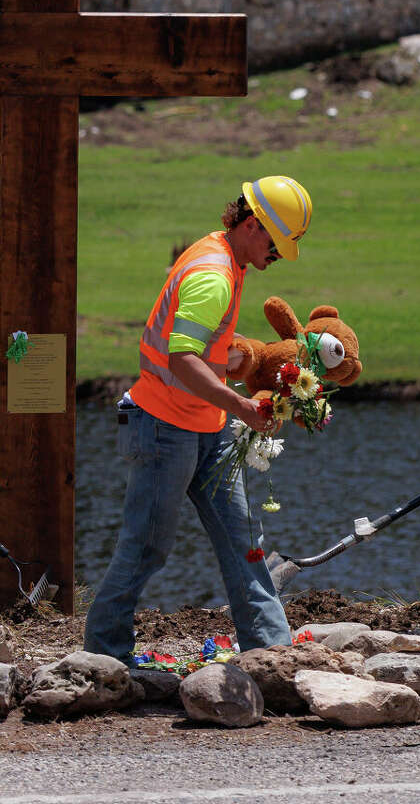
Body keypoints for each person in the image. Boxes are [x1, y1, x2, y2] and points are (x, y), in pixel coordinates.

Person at [84, 176, 314, 663]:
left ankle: (272, 654)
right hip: (165, 427)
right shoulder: (215, 274)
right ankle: (103, 657)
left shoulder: (227, 256)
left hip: (203, 426)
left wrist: (232, 361)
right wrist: (242, 407)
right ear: (253, 225)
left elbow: (200, 350)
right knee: (146, 546)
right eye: (277, 243)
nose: (278, 255)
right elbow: (181, 359)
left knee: (244, 541)